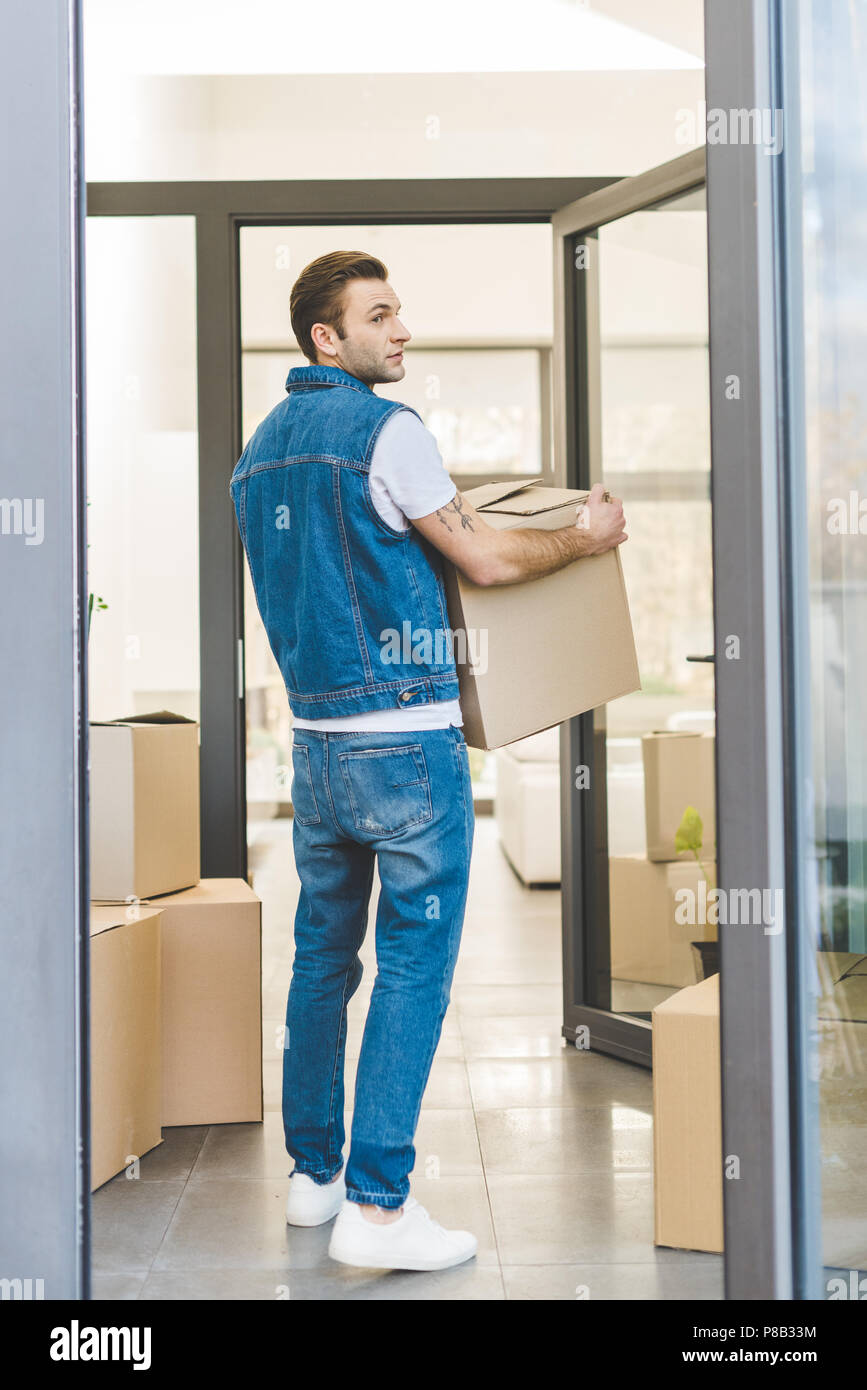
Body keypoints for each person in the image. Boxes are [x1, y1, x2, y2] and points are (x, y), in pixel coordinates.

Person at [229, 250, 627, 1272]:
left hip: (314, 751)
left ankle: (314, 1179)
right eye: (381, 315)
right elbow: (484, 557)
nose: (401, 331)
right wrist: (583, 539)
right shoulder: (386, 430)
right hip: (405, 745)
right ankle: (380, 1204)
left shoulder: (258, 454)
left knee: (323, 959)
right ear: (329, 337)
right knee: (414, 962)